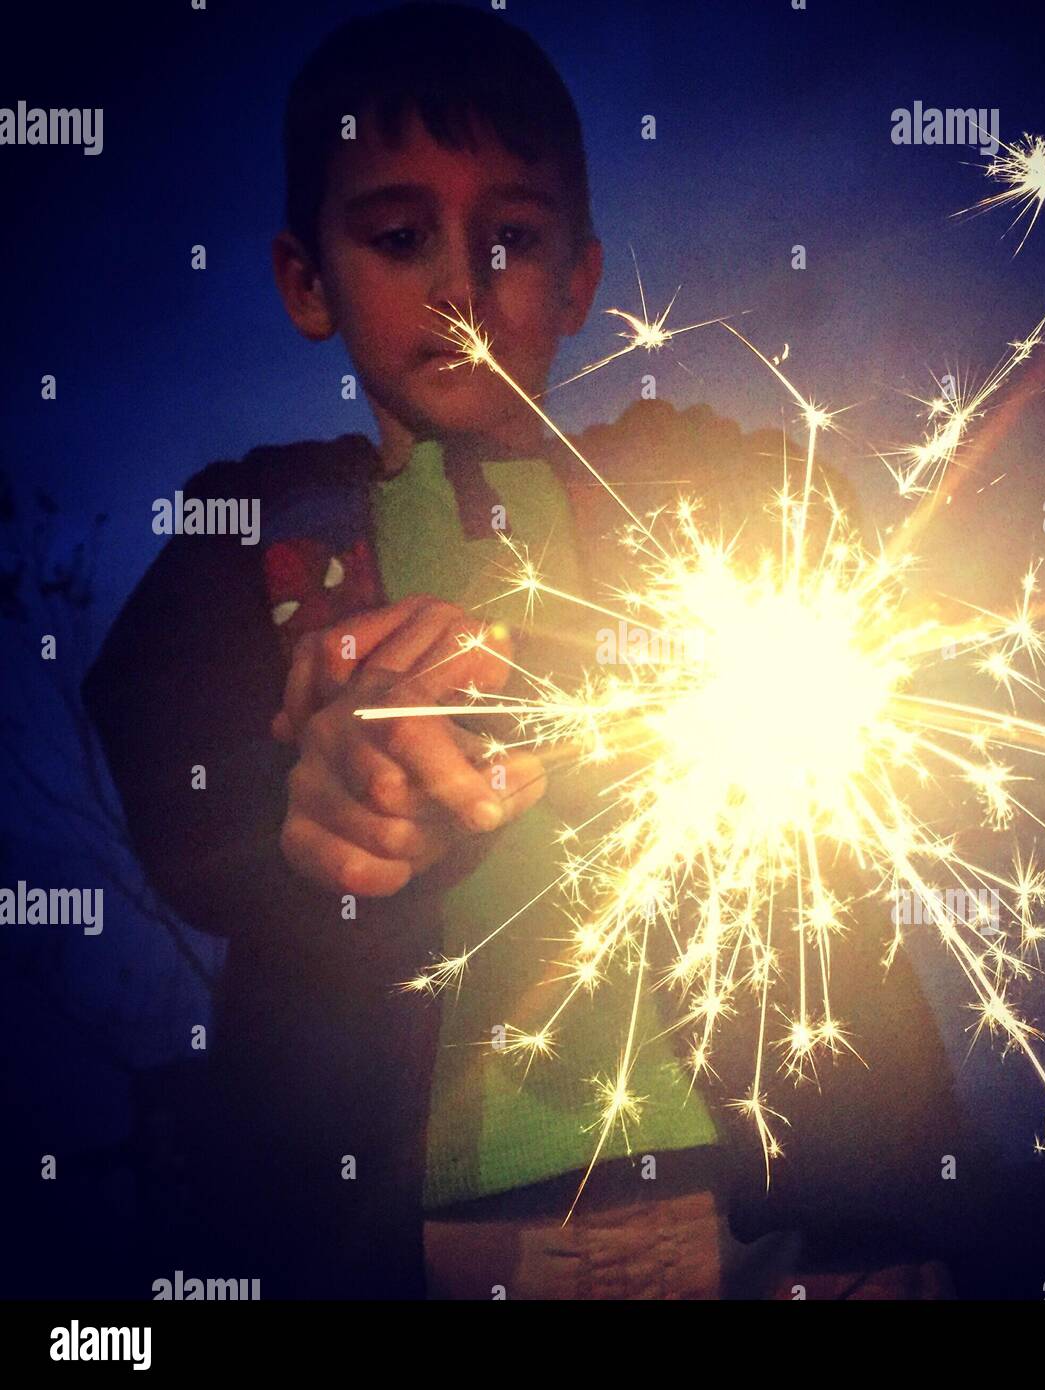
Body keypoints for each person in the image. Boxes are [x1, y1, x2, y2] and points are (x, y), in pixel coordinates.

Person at [84, 1, 965, 1299]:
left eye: (512, 238)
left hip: (776, 1217)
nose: (460, 284)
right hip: (420, 1237)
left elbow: (859, 582)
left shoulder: (688, 478)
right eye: (398, 236)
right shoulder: (251, 535)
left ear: (579, 279)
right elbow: (164, 723)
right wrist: (299, 791)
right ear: (305, 281)